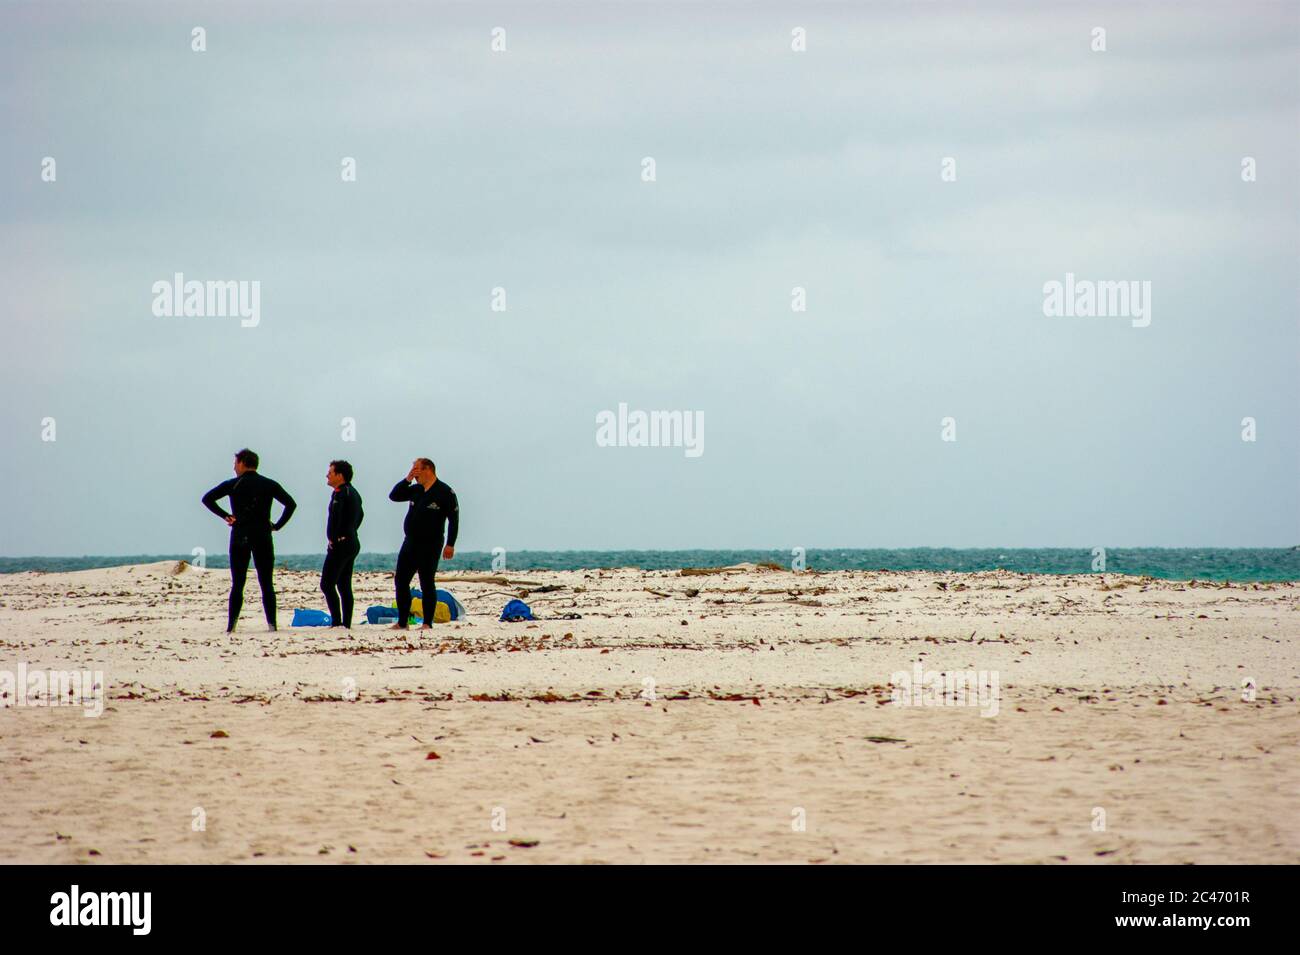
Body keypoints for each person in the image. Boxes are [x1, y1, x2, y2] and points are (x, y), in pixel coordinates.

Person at [201, 449, 296, 632]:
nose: (234, 467)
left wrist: (226, 516)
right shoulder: (269, 484)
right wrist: (277, 526)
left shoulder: (233, 484)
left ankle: (232, 626)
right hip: (263, 535)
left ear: (243, 463)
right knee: (266, 582)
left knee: (238, 583)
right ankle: (272, 625)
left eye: (235, 463)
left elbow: (207, 499)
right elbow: (291, 504)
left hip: (240, 536)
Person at [388, 458, 458, 629]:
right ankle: (402, 622)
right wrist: (407, 479)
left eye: (416, 469)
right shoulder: (416, 489)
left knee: (427, 582)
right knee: (401, 581)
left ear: (428, 470)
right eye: (413, 469)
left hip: (431, 544)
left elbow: (454, 520)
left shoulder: (445, 492)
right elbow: (394, 496)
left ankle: (427, 622)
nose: (414, 472)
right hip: (410, 542)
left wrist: (450, 544)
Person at [321, 459, 363, 628]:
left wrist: (340, 536)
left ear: (340, 475)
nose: (327, 475)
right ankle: (345, 624)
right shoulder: (344, 492)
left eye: (330, 472)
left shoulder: (345, 493)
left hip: (344, 544)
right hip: (348, 543)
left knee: (327, 583)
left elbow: (355, 516)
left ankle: (338, 622)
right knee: (343, 584)